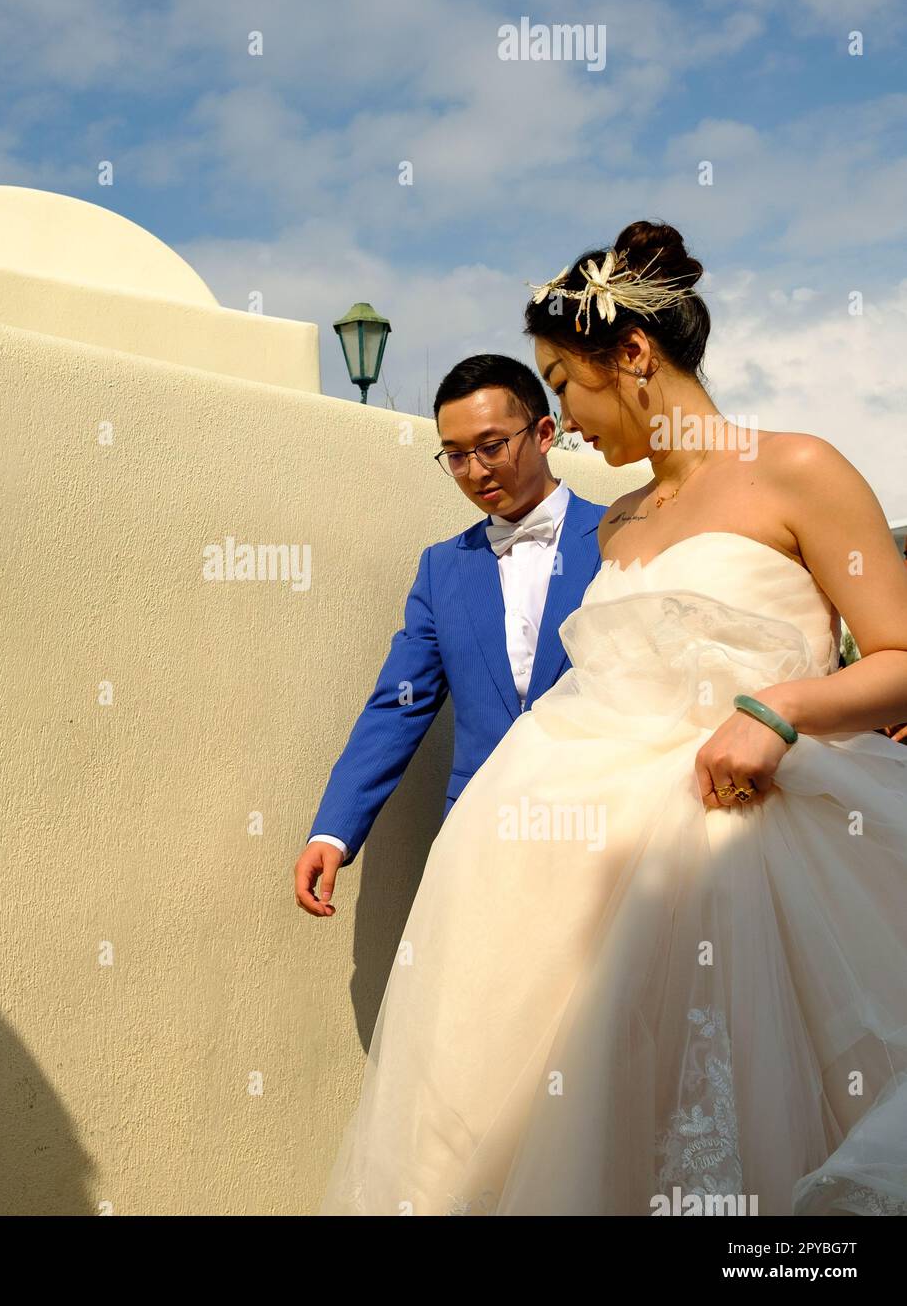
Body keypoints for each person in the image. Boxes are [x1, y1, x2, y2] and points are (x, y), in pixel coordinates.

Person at [318, 220, 907, 1216]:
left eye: (564, 384)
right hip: (555, 891)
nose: (566, 420)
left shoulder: (795, 468)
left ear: (632, 356)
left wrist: (780, 709)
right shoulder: (621, 520)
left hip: (744, 867)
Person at [294, 355, 609, 919]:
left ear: (544, 433)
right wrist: (334, 833)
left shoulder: (619, 538)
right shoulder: (443, 569)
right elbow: (397, 706)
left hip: (609, 832)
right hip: (477, 840)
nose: (476, 471)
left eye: (492, 446)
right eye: (457, 456)